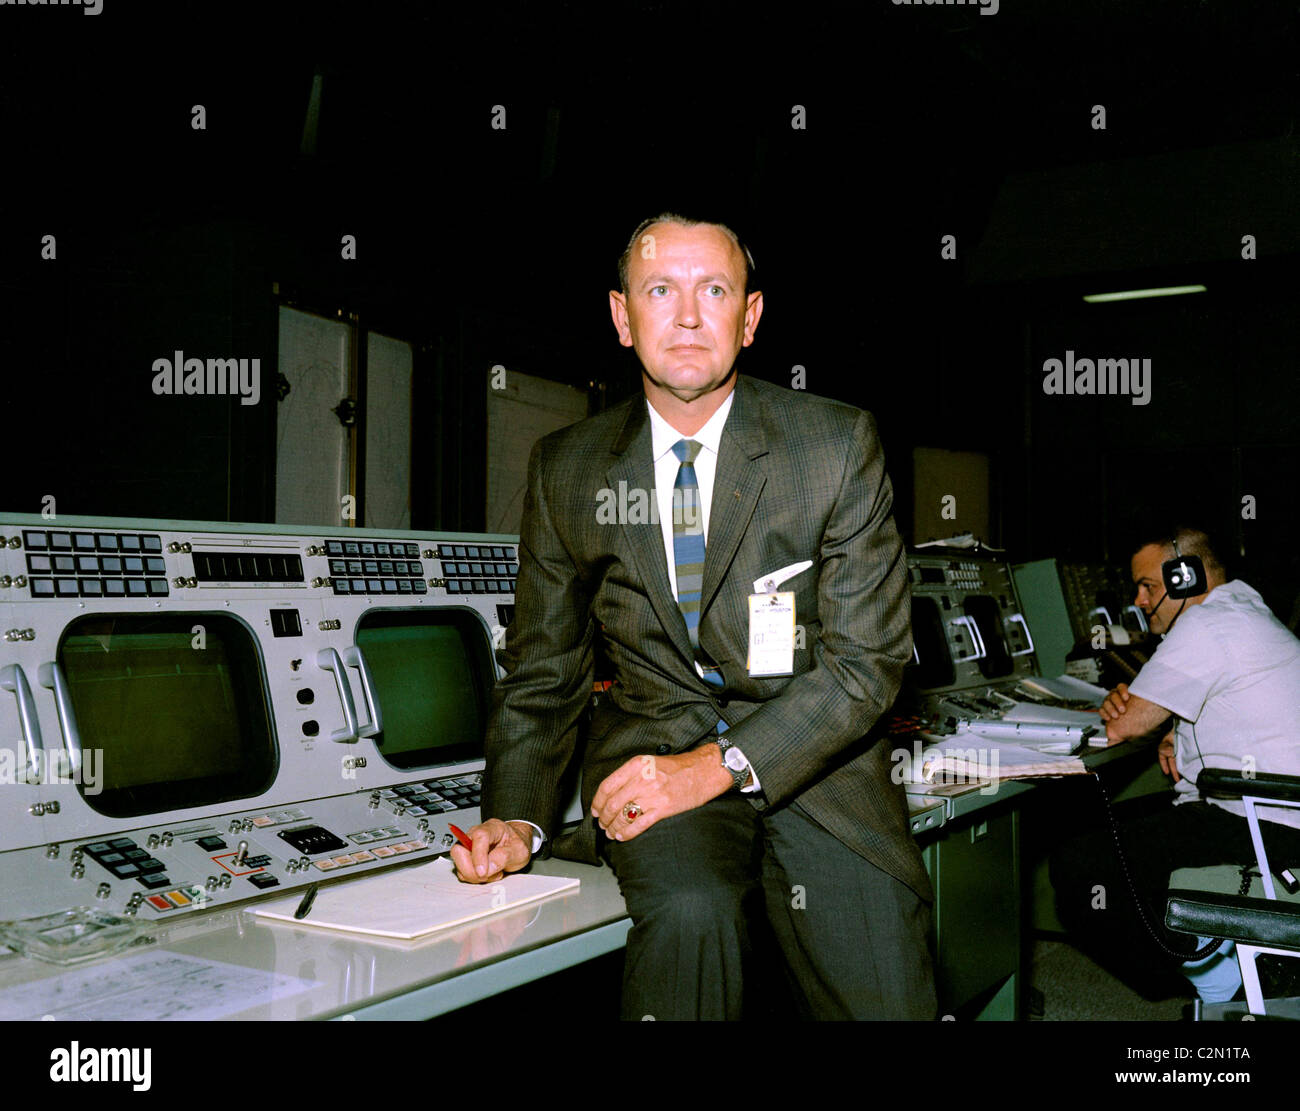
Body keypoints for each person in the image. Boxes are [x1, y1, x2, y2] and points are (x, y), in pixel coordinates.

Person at [450, 212, 936, 1020]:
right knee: (689, 914)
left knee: (884, 983)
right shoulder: (566, 468)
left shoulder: (835, 445)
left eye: (713, 290)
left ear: (749, 319)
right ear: (621, 315)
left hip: (819, 765)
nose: (685, 315)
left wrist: (715, 765)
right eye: (659, 289)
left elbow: (866, 665)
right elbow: (542, 668)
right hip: (653, 754)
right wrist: (515, 815)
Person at [1050, 526, 1300, 1003]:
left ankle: (1220, 981)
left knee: (1081, 862)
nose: (1140, 601)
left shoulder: (1205, 624)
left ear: (1187, 578)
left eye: (1148, 586)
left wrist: (1134, 714)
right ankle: (1222, 961)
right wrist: (1176, 735)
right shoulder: (1244, 610)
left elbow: (1125, 728)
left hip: (1264, 820)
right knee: (1119, 830)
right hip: (1280, 809)